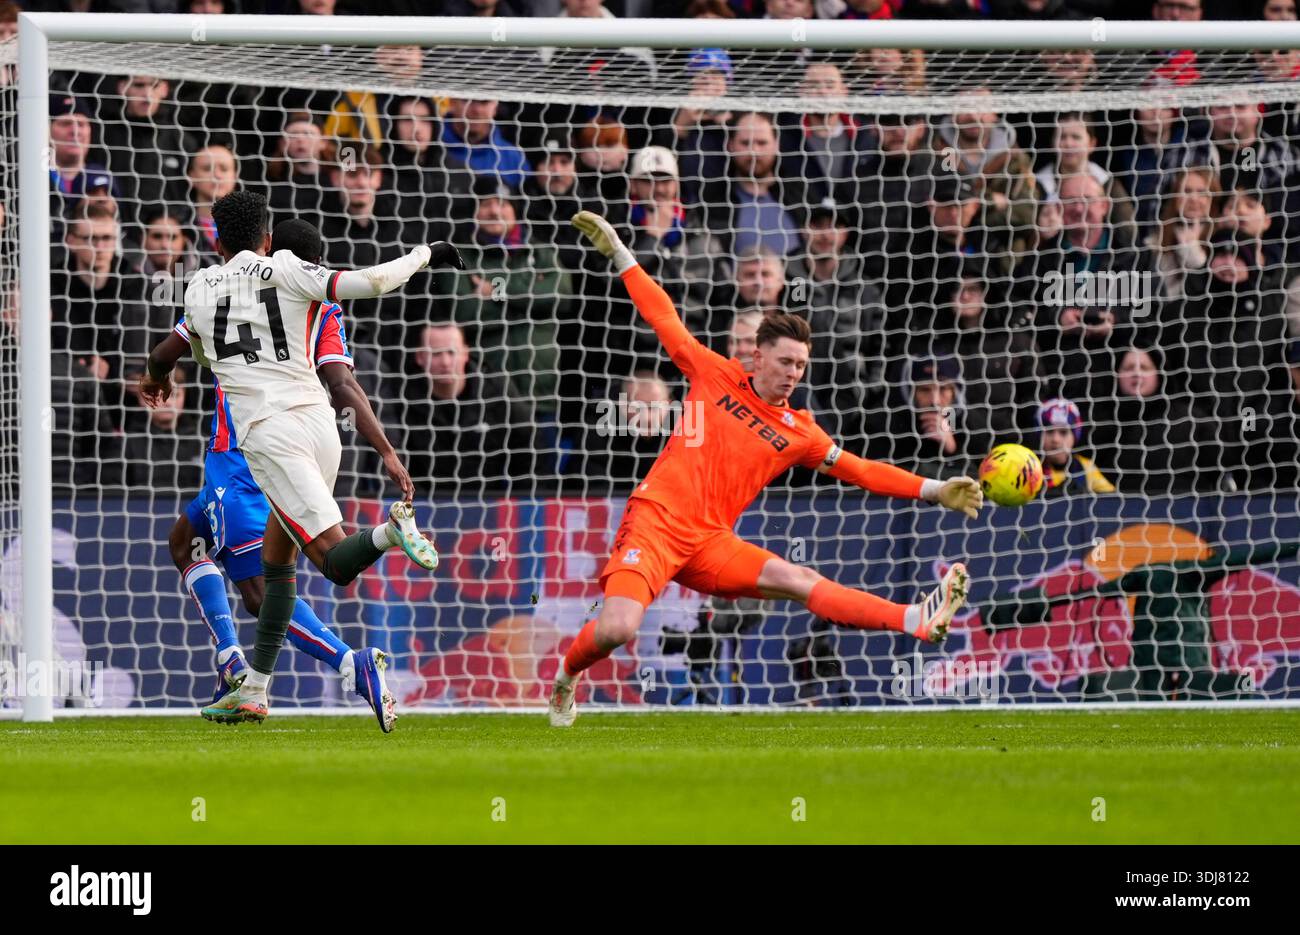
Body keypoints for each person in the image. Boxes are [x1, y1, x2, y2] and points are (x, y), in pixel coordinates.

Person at [548, 210, 984, 727]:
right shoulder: (715, 374)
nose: (793, 374)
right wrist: (621, 255)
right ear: (758, 357)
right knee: (618, 629)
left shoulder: (801, 430)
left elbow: (862, 471)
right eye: (785, 362)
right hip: (656, 521)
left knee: (797, 577)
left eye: (801, 366)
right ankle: (566, 679)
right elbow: (664, 317)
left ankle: (914, 619)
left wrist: (936, 490)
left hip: (711, 540)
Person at [139, 190, 465, 724]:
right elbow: (356, 338)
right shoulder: (305, 287)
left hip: (260, 446)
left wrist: (157, 379)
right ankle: (253, 685)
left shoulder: (201, 289)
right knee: (251, 561)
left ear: (220, 239)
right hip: (318, 430)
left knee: (318, 568)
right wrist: (426, 253)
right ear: (268, 242)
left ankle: (385, 547)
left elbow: (168, 354)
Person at [1034, 397, 1115, 497]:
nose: (1055, 439)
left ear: (1075, 437)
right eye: (1049, 431)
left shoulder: (1086, 467)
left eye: (1063, 432)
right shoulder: (1031, 469)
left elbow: (1112, 501)